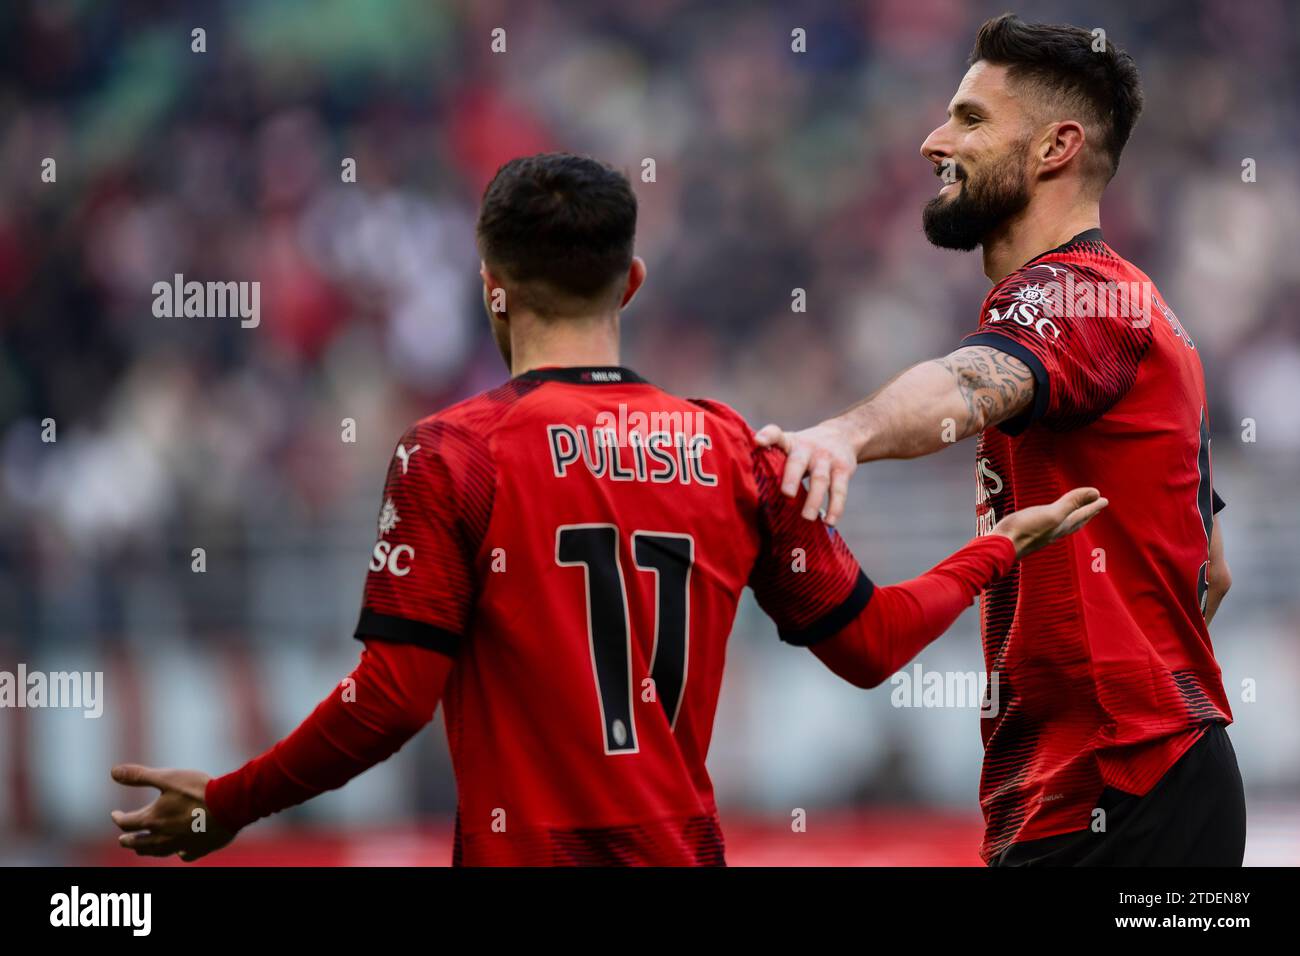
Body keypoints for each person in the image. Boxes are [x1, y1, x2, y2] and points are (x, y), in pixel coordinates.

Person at [111, 152, 1103, 866]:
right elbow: (872, 643)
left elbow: (392, 699)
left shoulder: (449, 455)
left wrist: (230, 802)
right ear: (629, 280)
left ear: (491, 289)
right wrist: (988, 552)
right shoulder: (733, 450)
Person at [757, 15, 1242, 866]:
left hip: (1120, 787)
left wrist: (845, 433)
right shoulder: (1136, 308)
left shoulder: (1080, 294)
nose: (933, 140)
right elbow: (1214, 569)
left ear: (1057, 147)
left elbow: (969, 385)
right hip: (1123, 781)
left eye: (971, 119)